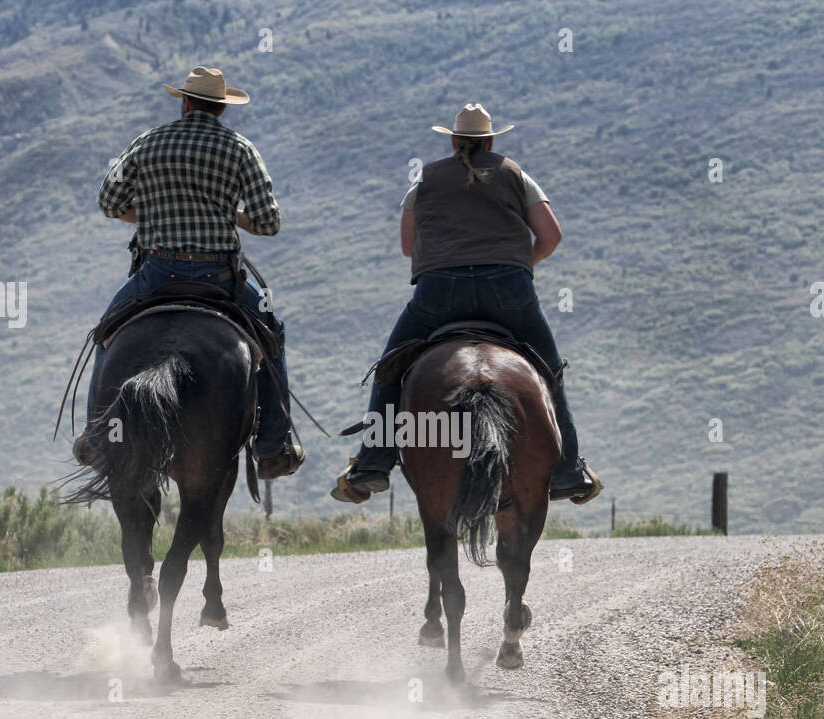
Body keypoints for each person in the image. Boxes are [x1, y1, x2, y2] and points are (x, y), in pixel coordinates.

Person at [331, 103, 600, 504]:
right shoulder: (516, 175)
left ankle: (373, 462)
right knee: (550, 371)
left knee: (389, 370)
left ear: (454, 140)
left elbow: (408, 246)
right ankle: (568, 471)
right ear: (491, 140)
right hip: (508, 291)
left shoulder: (424, 181)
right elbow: (551, 235)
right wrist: (519, 264)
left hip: (440, 292)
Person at [75, 66, 303, 479]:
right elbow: (269, 223)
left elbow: (109, 203)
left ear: (184, 101)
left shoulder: (148, 142)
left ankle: (96, 436)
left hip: (157, 273)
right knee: (272, 335)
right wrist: (228, 215)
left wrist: (154, 211)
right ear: (221, 108)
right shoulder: (240, 149)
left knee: (105, 332)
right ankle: (272, 443)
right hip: (220, 278)